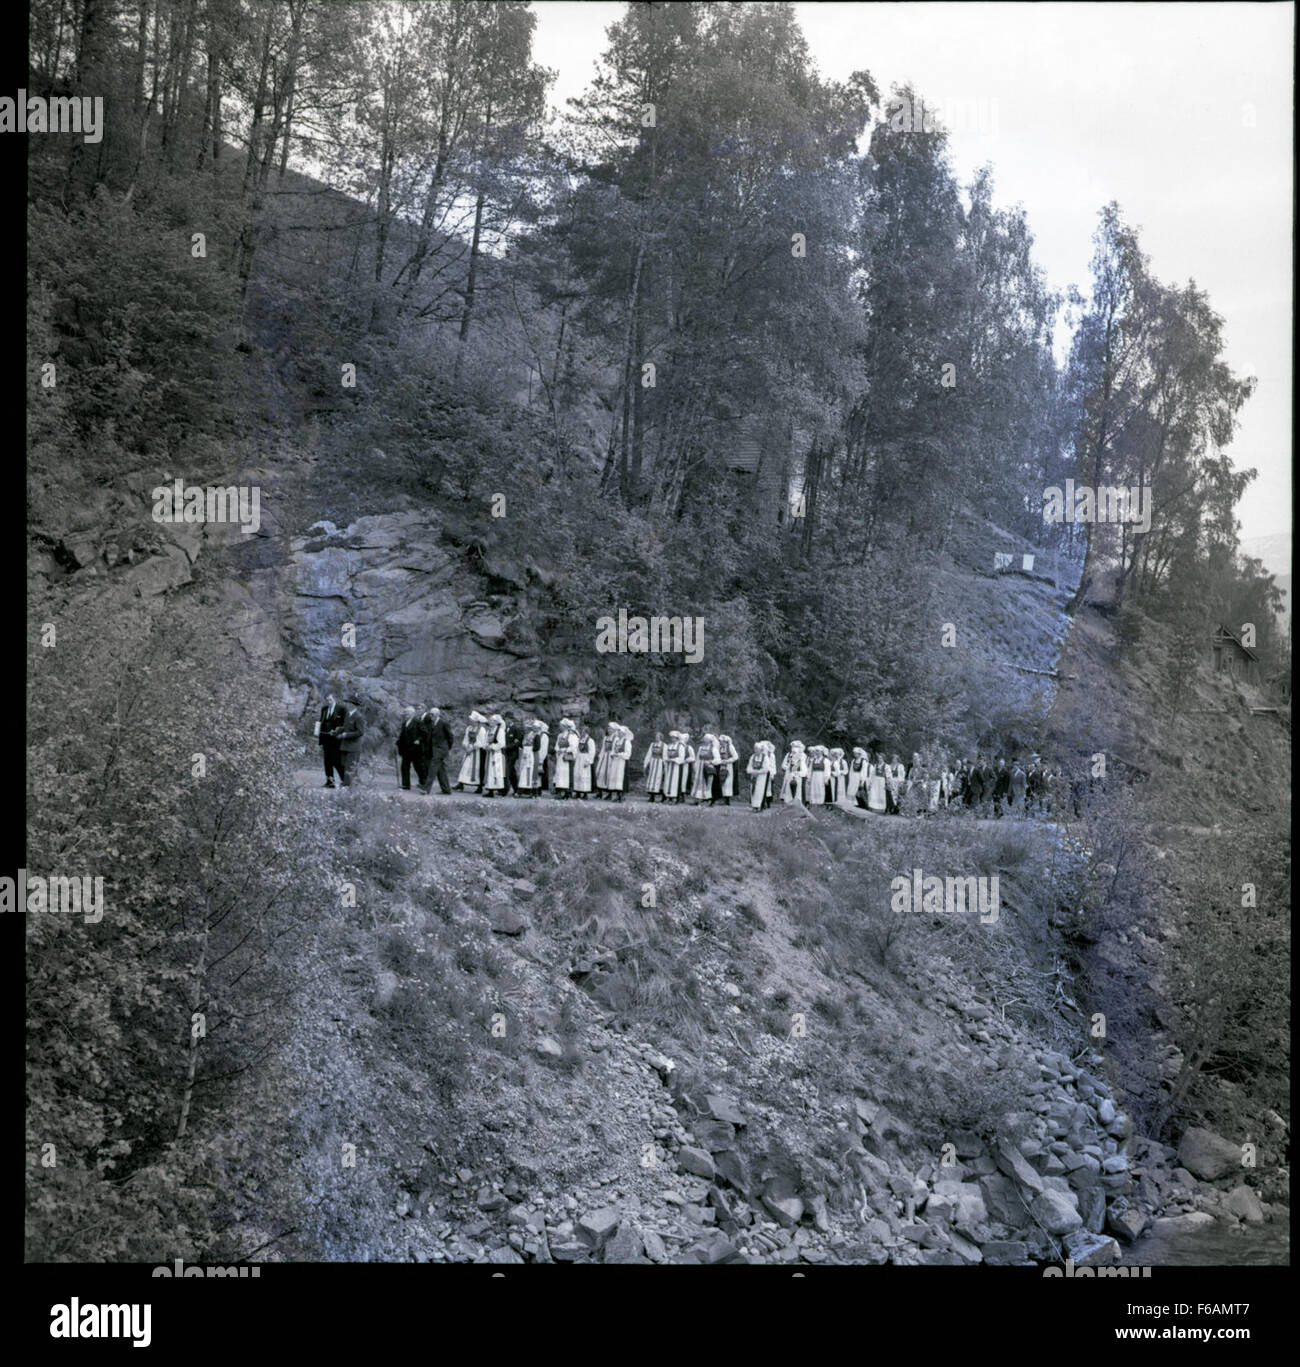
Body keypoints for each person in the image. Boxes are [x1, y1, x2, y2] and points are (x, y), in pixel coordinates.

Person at [420, 705, 454, 795]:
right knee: (441, 770)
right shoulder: (432, 723)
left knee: (433, 768)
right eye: (430, 714)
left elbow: (450, 737)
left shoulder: (444, 723)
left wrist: (446, 748)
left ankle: (426, 789)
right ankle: (446, 789)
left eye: (432, 715)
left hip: (440, 750)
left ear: (436, 715)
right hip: (434, 750)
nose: (430, 716)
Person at [317, 692, 347, 788]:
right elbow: (321, 722)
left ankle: (345, 780)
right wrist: (318, 732)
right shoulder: (324, 709)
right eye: (327, 700)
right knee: (327, 761)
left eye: (330, 700)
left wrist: (337, 732)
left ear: (334, 699)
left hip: (336, 740)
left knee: (337, 761)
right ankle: (330, 781)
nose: (328, 702)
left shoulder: (341, 709)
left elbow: (345, 724)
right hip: (326, 739)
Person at [334, 698, 366, 787]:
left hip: (354, 746)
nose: (346, 705)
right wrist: (337, 731)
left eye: (348, 703)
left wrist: (346, 735)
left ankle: (348, 785)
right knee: (344, 765)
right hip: (345, 745)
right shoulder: (348, 714)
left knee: (350, 766)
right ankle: (353, 784)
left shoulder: (359, 717)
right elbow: (345, 727)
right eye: (346, 703)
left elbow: (360, 732)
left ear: (353, 705)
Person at [396, 706, 427, 791]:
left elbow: (424, 733)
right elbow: (402, 735)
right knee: (404, 767)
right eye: (405, 713)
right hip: (406, 749)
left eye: (406, 713)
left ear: (411, 713)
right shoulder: (405, 722)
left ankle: (424, 783)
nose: (405, 715)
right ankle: (405, 784)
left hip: (415, 749)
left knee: (418, 767)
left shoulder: (418, 722)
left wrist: (418, 740)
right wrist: (398, 742)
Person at [455, 712, 487, 791]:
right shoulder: (469, 728)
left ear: (476, 721)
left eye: (472, 720)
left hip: (478, 752)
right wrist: (466, 746)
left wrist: (472, 748)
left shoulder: (481, 730)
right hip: (469, 749)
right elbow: (466, 739)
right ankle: (461, 783)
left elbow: (482, 742)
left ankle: (479, 786)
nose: (470, 721)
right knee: (465, 766)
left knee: (478, 768)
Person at [517, 720, 548, 796]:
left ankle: (534, 791)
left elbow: (537, 747)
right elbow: (523, 743)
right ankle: (526, 788)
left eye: (535, 727)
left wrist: (530, 749)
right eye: (533, 727)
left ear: (538, 728)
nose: (534, 729)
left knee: (533, 773)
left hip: (533, 755)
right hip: (527, 755)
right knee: (525, 772)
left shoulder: (537, 736)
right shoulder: (530, 734)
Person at [483, 714, 508, 796]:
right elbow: (485, 740)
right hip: (489, 754)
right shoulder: (489, 730)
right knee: (489, 771)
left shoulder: (499, 731)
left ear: (496, 722)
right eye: (489, 720)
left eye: (492, 721)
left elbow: (502, 743)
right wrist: (485, 746)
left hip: (496, 754)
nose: (490, 722)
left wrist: (492, 747)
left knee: (495, 771)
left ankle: (495, 789)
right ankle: (490, 789)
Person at [552, 719, 578, 798]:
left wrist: (565, 750)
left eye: (561, 726)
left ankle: (567, 792)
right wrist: (557, 750)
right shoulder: (560, 735)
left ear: (565, 726)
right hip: (560, 757)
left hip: (566, 757)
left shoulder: (571, 735)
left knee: (566, 774)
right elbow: (557, 745)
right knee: (559, 774)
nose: (560, 727)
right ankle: (560, 790)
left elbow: (573, 746)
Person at [748, 741, 776, 810]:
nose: (756, 750)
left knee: (760, 791)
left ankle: (760, 805)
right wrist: (752, 771)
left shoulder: (765, 757)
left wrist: (758, 772)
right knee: (753, 790)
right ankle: (754, 805)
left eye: (757, 749)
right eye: (755, 749)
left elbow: (766, 768)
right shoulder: (753, 756)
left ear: (761, 750)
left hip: (762, 777)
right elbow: (749, 766)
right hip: (754, 777)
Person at [692, 733, 719, 804]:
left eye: (706, 739)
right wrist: (696, 766)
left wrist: (710, 762)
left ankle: (707, 799)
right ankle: (698, 798)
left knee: (707, 783)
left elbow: (718, 760)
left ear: (709, 740)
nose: (704, 740)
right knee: (699, 783)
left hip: (708, 768)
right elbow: (698, 758)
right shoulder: (701, 748)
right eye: (704, 739)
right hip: (700, 767)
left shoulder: (713, 749)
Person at [609, 724, 633, 801]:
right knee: (615, 778)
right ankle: (617, 795)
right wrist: (612, 754)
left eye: (620, 732)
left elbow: (628, 754)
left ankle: (621, 795)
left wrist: (619, 754)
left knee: (621, 778)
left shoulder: (627, 742)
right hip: (616, 762)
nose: (618, 734)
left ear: (623, 733)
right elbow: (613, 750)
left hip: (622, 762)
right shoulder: (616, 741)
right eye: (618, 732)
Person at [663, 732, 689, 802]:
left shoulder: (680, 746)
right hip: (669, 766)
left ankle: (676, 797)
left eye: (673, 738)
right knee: (668, 781)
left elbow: (682, 757)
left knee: (675, 781)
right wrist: (666, 759)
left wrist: (674, 760)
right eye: (671, 738)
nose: (672, 739)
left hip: (676, 766)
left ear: (677, 738)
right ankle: (668, 797)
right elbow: (665, 755)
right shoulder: (669, 746)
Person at [504, 713, 526, 794]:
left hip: (512, 753)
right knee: (511, 772)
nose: (506, 721)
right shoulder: (505, 729)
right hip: (506, 753)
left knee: (507, 770)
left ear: (511, 719)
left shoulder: (516, 729)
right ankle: (516, 788)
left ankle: (505, 790)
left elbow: (518, 742)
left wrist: (508, 746)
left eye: (507, 719)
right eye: (505, 719)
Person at [643, 732, 667, 801]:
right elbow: (649, 754)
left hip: (659, 763)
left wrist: (665, 766)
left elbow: (665, 756)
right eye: (656, 736)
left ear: (661, 737)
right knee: (651, 779)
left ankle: (662, 796)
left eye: (658, 736)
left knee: (658, 779)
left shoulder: (664, 745)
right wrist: (646, 763)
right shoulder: (652, 744)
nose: (656, 738)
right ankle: (652, 796)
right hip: (653, 763)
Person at [573, 726, 596, 798]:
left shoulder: (590, 740)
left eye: (583, 731)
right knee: (577, 774)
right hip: (579, 758)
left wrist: (588, 761)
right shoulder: (580, 739)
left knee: (584, 775)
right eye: (582, 731)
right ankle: (578, 792)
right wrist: (575, 757)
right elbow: (577, 749)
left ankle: (585, 793)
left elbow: (592, 751)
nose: (582, 733)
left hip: (585, 758)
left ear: (587, 732)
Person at [716, 734, 739, 805]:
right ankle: (722, 798)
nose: (720, 742)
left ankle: (727, 800)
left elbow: (735, 757)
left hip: (728, 766)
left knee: (727, 782)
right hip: (721, 766)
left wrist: (727, 761)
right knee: (721, 781)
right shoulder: (719, 747)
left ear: (725, 741)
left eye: (721, 741)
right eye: (720, 741)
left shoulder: (730, 747)